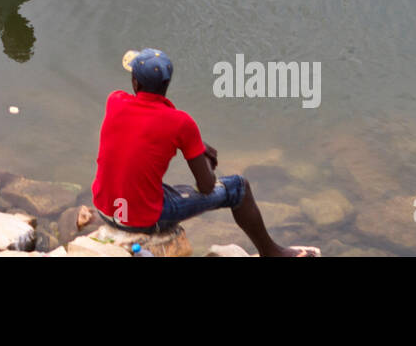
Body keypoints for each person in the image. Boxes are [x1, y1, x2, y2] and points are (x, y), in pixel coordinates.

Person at [91, 48, 320, 256]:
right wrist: (205, 156)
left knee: (159, 185)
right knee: (238, 188)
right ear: (167, 84)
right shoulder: (181, 123)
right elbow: (207, 186)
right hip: (142, 221)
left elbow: (147, 126)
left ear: (135, 83)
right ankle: (273, 253)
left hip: (105, 209)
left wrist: (198, 146)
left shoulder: (115, 101)